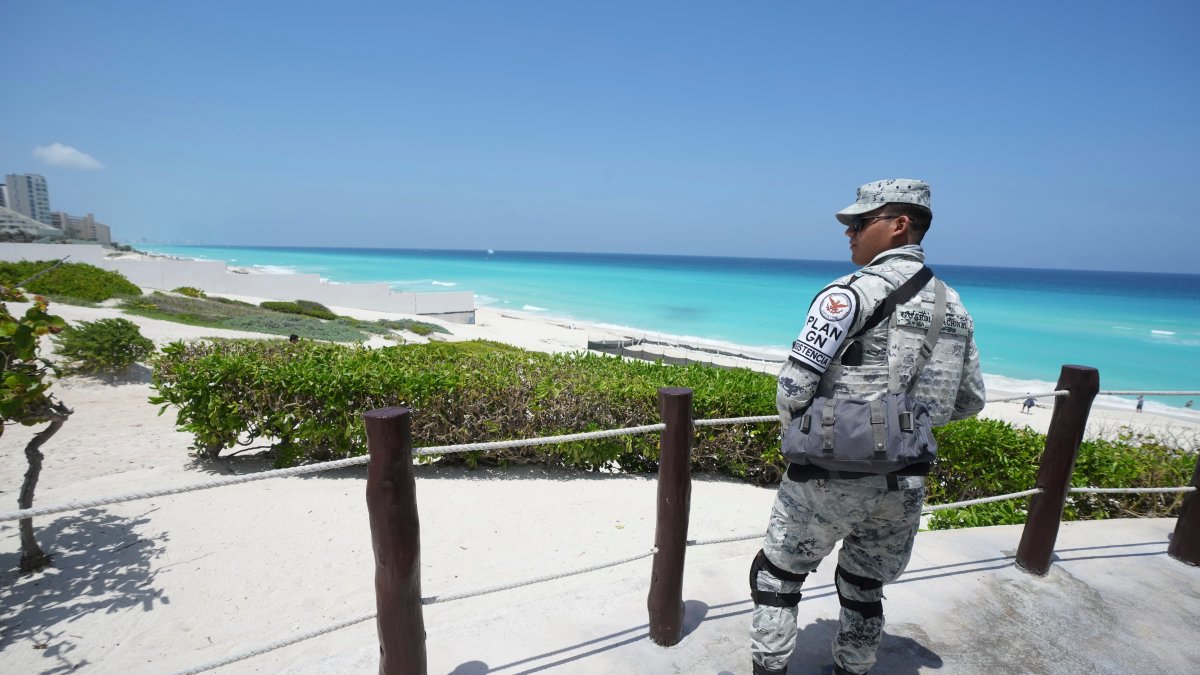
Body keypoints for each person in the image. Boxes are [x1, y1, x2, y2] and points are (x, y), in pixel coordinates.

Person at [751, 179, 986, 675]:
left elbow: (793, 387)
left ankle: (769, 668)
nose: (849, 233)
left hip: (830, 473)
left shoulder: (848, 295)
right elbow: (969, 401)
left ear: (899, 225)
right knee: (863, 586)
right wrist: (905, 424)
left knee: (776, 575)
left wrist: (802, 441)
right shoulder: (955, 306)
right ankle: (852, 668)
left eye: (860, 223)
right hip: (907, 479)